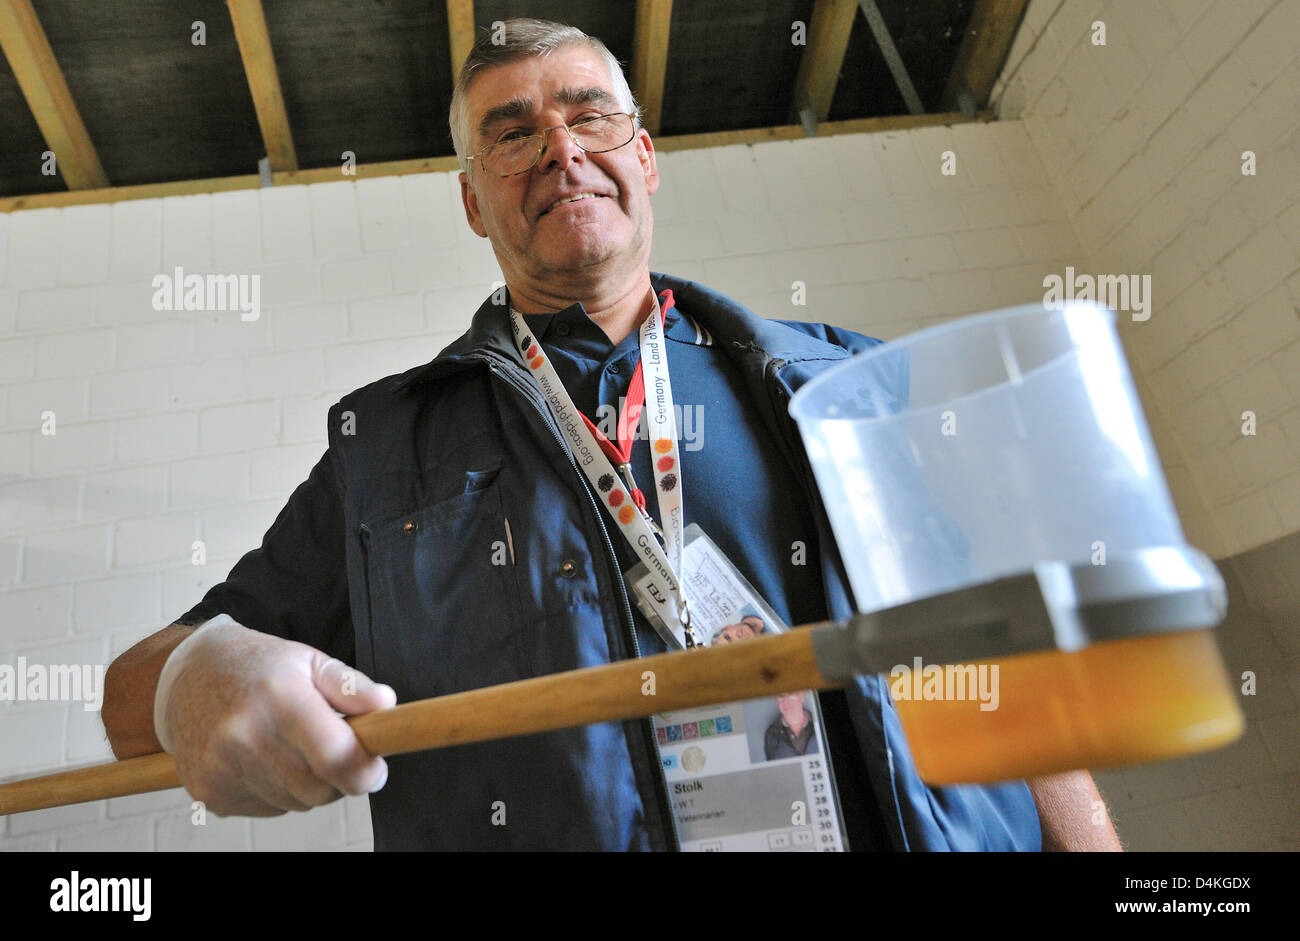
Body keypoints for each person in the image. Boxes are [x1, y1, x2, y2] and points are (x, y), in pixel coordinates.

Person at [102, 18, 1120, 852]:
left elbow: (1004, 673)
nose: (561, 147)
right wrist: (196, 679)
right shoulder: (383, 454)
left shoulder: (850, 383)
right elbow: (129, 698)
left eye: (590, 114)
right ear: (472, 201)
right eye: (510, 133)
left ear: (644, 156)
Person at [765, 691, 819, 760]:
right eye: (781, 697)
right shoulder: (771, 734)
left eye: (791, 696)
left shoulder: (819, 723)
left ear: (801, 697)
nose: (786, 702)